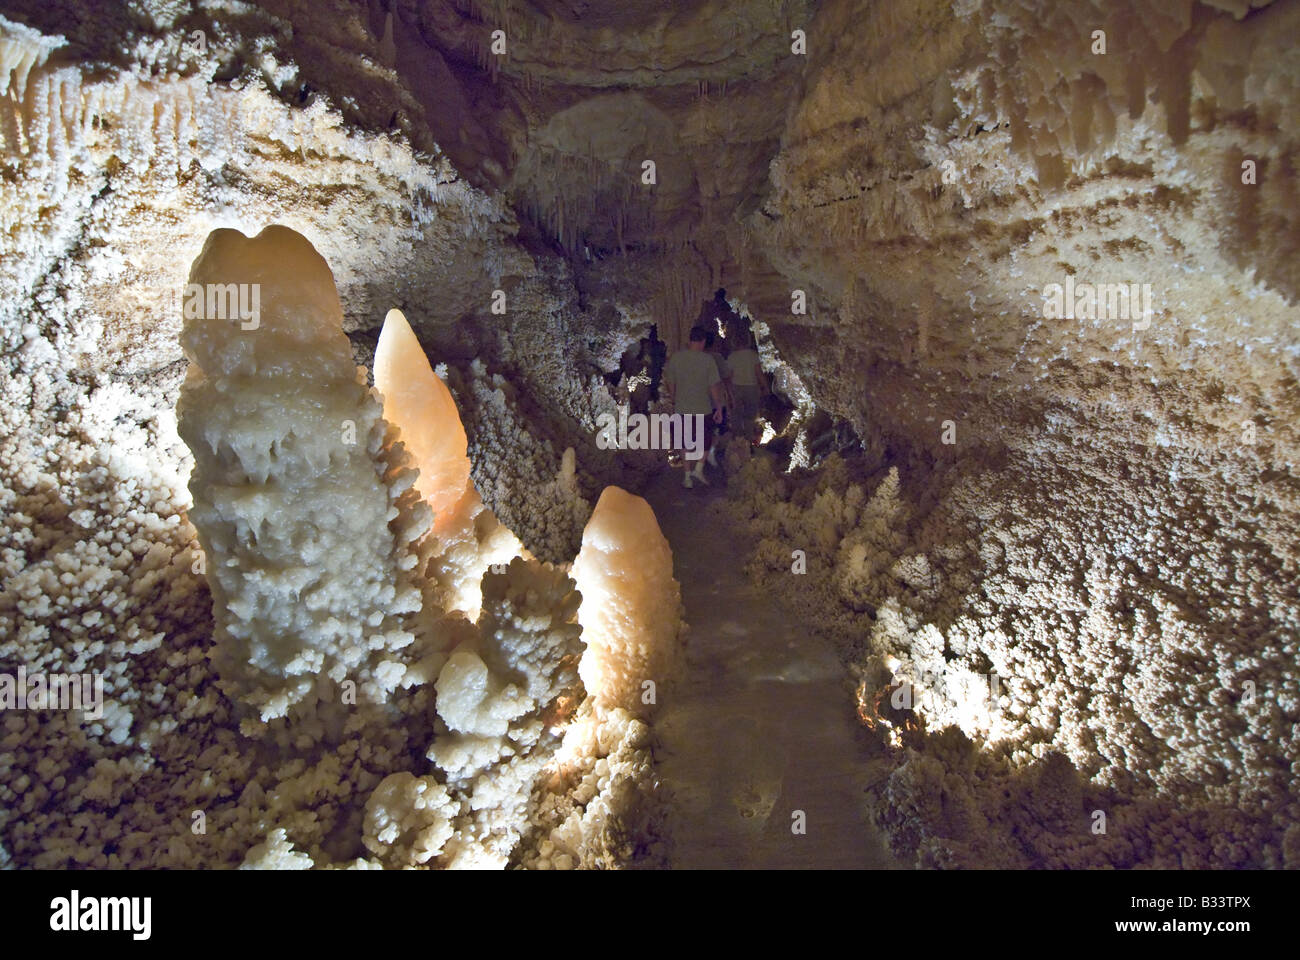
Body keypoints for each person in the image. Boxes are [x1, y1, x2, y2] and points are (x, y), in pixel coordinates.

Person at [662, 325, 724, 488]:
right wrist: (718, 406)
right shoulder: (708, 360)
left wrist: (674, 397)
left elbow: (670, 382)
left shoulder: (676, 358)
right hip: (703, 408)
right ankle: (699, 468)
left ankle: (687, 477)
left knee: (685, 443)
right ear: (703, 341)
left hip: (682, 408)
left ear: (689, 340)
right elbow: (714, 386)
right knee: (705, 441)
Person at [727, 331, 766, 444]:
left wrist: (729, 392)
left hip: (736, 387)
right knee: (750, 414)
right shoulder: (753, 355)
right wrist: (765, 386)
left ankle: (738, 438)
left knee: (736, 414)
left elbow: (729, 376)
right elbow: (758, 373)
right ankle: (748, 439)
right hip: (751, 387)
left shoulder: (732, 357)